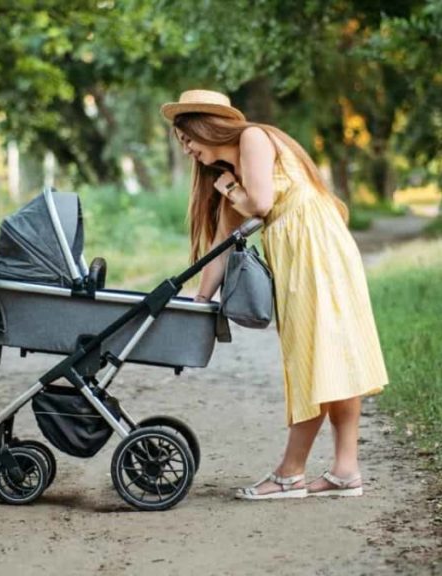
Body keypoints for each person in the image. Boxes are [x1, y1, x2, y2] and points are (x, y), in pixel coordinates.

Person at [159, 89, 390, 500]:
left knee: (315, 356)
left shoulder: (252, 140)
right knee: (329, 354)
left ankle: (290, 474)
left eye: (187, 139)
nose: (188, 149)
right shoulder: (233, 175)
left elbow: (261, 204)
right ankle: (345, 471)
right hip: (307, 253)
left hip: (315, 251)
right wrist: (199, 301)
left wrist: (231, 188)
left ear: (204, 127)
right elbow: (221, 244)